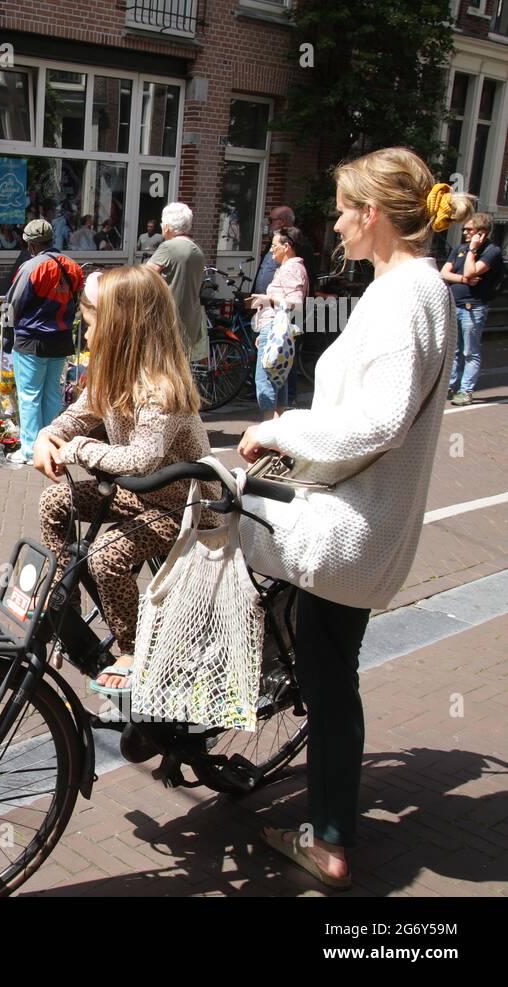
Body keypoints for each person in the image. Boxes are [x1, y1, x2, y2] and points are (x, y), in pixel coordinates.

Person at [238, 147, 469, 890]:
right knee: (331, 673)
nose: (334, 225)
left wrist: (278, 432)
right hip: (360, 518)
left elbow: (375, 424)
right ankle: (327, 821)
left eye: (342, 210)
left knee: (329, 679)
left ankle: (330, 835)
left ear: (371, 215)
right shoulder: (409, 288)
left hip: (350, 527)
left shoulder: (406, 295)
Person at [33, 265, 216, 691]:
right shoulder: (114, 377)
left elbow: (143, 458)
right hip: (143, 498)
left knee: (106, 556)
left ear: (122, 328)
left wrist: (77, 449)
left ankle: (136, 650)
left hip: (186, 507)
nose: (86, 335)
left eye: (93, 324)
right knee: (55, 502)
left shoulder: (161, 390)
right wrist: (48, 435)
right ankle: (67, 605)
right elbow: (77, 417)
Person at [2, 218, 85, 465]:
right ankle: (50, 444)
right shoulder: (73, 267)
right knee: (51, 395)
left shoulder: (31, 267)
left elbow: (12, 304)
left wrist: (7, 336)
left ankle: (29, 450)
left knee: (29, 396)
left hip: (32, 340)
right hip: (61, 338)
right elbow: (77, 301)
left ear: (30, 244)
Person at [248, 226, 311, 420]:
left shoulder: (291, 268)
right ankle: (275, 431)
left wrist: (268, 299)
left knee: (265, 382)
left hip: (276, 330)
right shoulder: (291, 267)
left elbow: (297, 304)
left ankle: (267, 430)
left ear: (287, 246)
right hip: (279, 331)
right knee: (279, 383)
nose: (270, 250)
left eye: (274, 245)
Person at [440, 211, 501, 405]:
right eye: (464, 229)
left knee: (470, 351)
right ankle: (450, 385)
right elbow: (444, 273)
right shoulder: (459, 247)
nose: (465, 232)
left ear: (481, 233)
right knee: (454, 350)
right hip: (454, 305)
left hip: (472, 309)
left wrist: (473, 250)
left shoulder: (492, 251)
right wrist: (464, 280)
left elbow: (470, 269)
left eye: (469, 229)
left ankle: (466, 391)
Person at [147, 202, 207, 362]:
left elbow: (143, 277)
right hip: (190, 320)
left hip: (168, 320)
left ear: (166, 226)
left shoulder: (169, 247)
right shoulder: (197, 249)